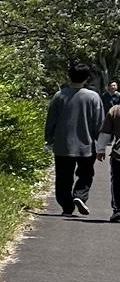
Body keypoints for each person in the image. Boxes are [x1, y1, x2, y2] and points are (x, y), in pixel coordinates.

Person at [45, 61, 105, 215]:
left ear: (69, 76)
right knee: (86, 174)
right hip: (86, 144)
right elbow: (99, 122)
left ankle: (66, 206)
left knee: (63, 177)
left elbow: (51, 119)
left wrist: (49, 139)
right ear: (86, 78)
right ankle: (79, 195)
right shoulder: (93, 97)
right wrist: (101, 144)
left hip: (63, 144)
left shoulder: (59, 96)